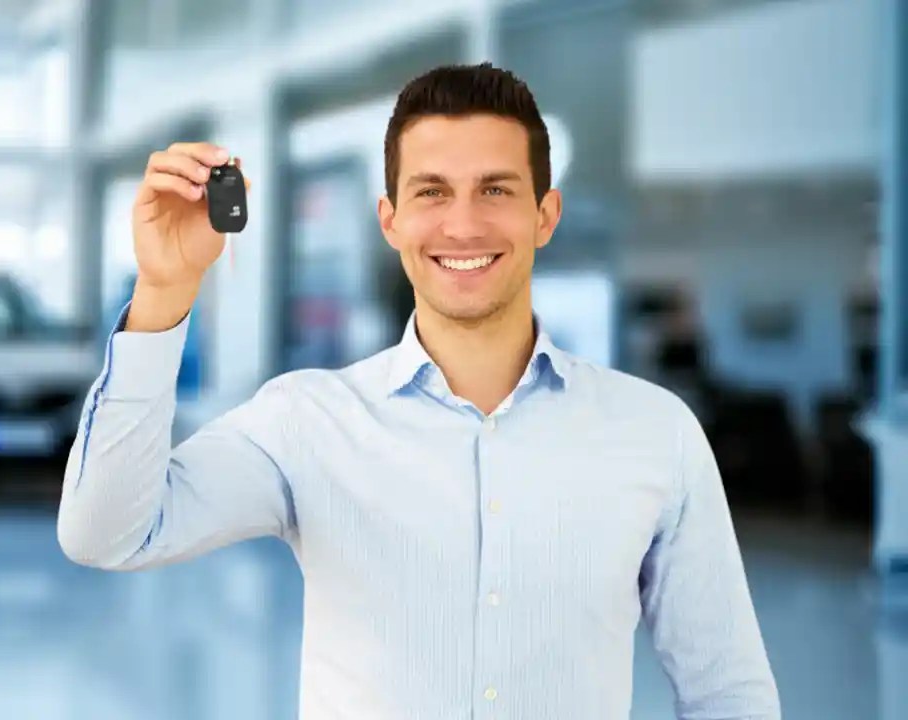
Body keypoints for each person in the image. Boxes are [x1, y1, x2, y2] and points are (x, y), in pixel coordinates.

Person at [57, 63, 780, 720]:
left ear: (545, 216)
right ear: (390, 219)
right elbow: (107, 534)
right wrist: (164, 289)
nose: (462, 224)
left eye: (495, 189)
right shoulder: (307, 421)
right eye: (432, 191)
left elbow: (727, 693)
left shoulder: (655, 432)